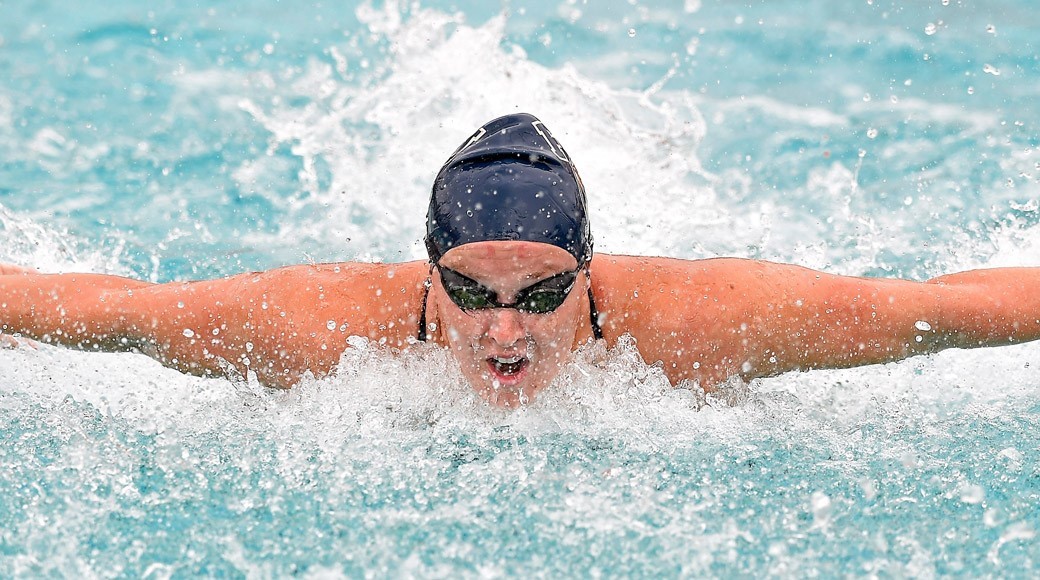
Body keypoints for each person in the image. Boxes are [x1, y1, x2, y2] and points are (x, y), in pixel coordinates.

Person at [2, 113, 1039, 408]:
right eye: (470, 293)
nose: (504, 329)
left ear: (588, 275)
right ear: (429, 274)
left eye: (541, 294)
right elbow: (112, 310)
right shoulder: (316, 325)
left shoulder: (707, 320)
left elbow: (938, 310)